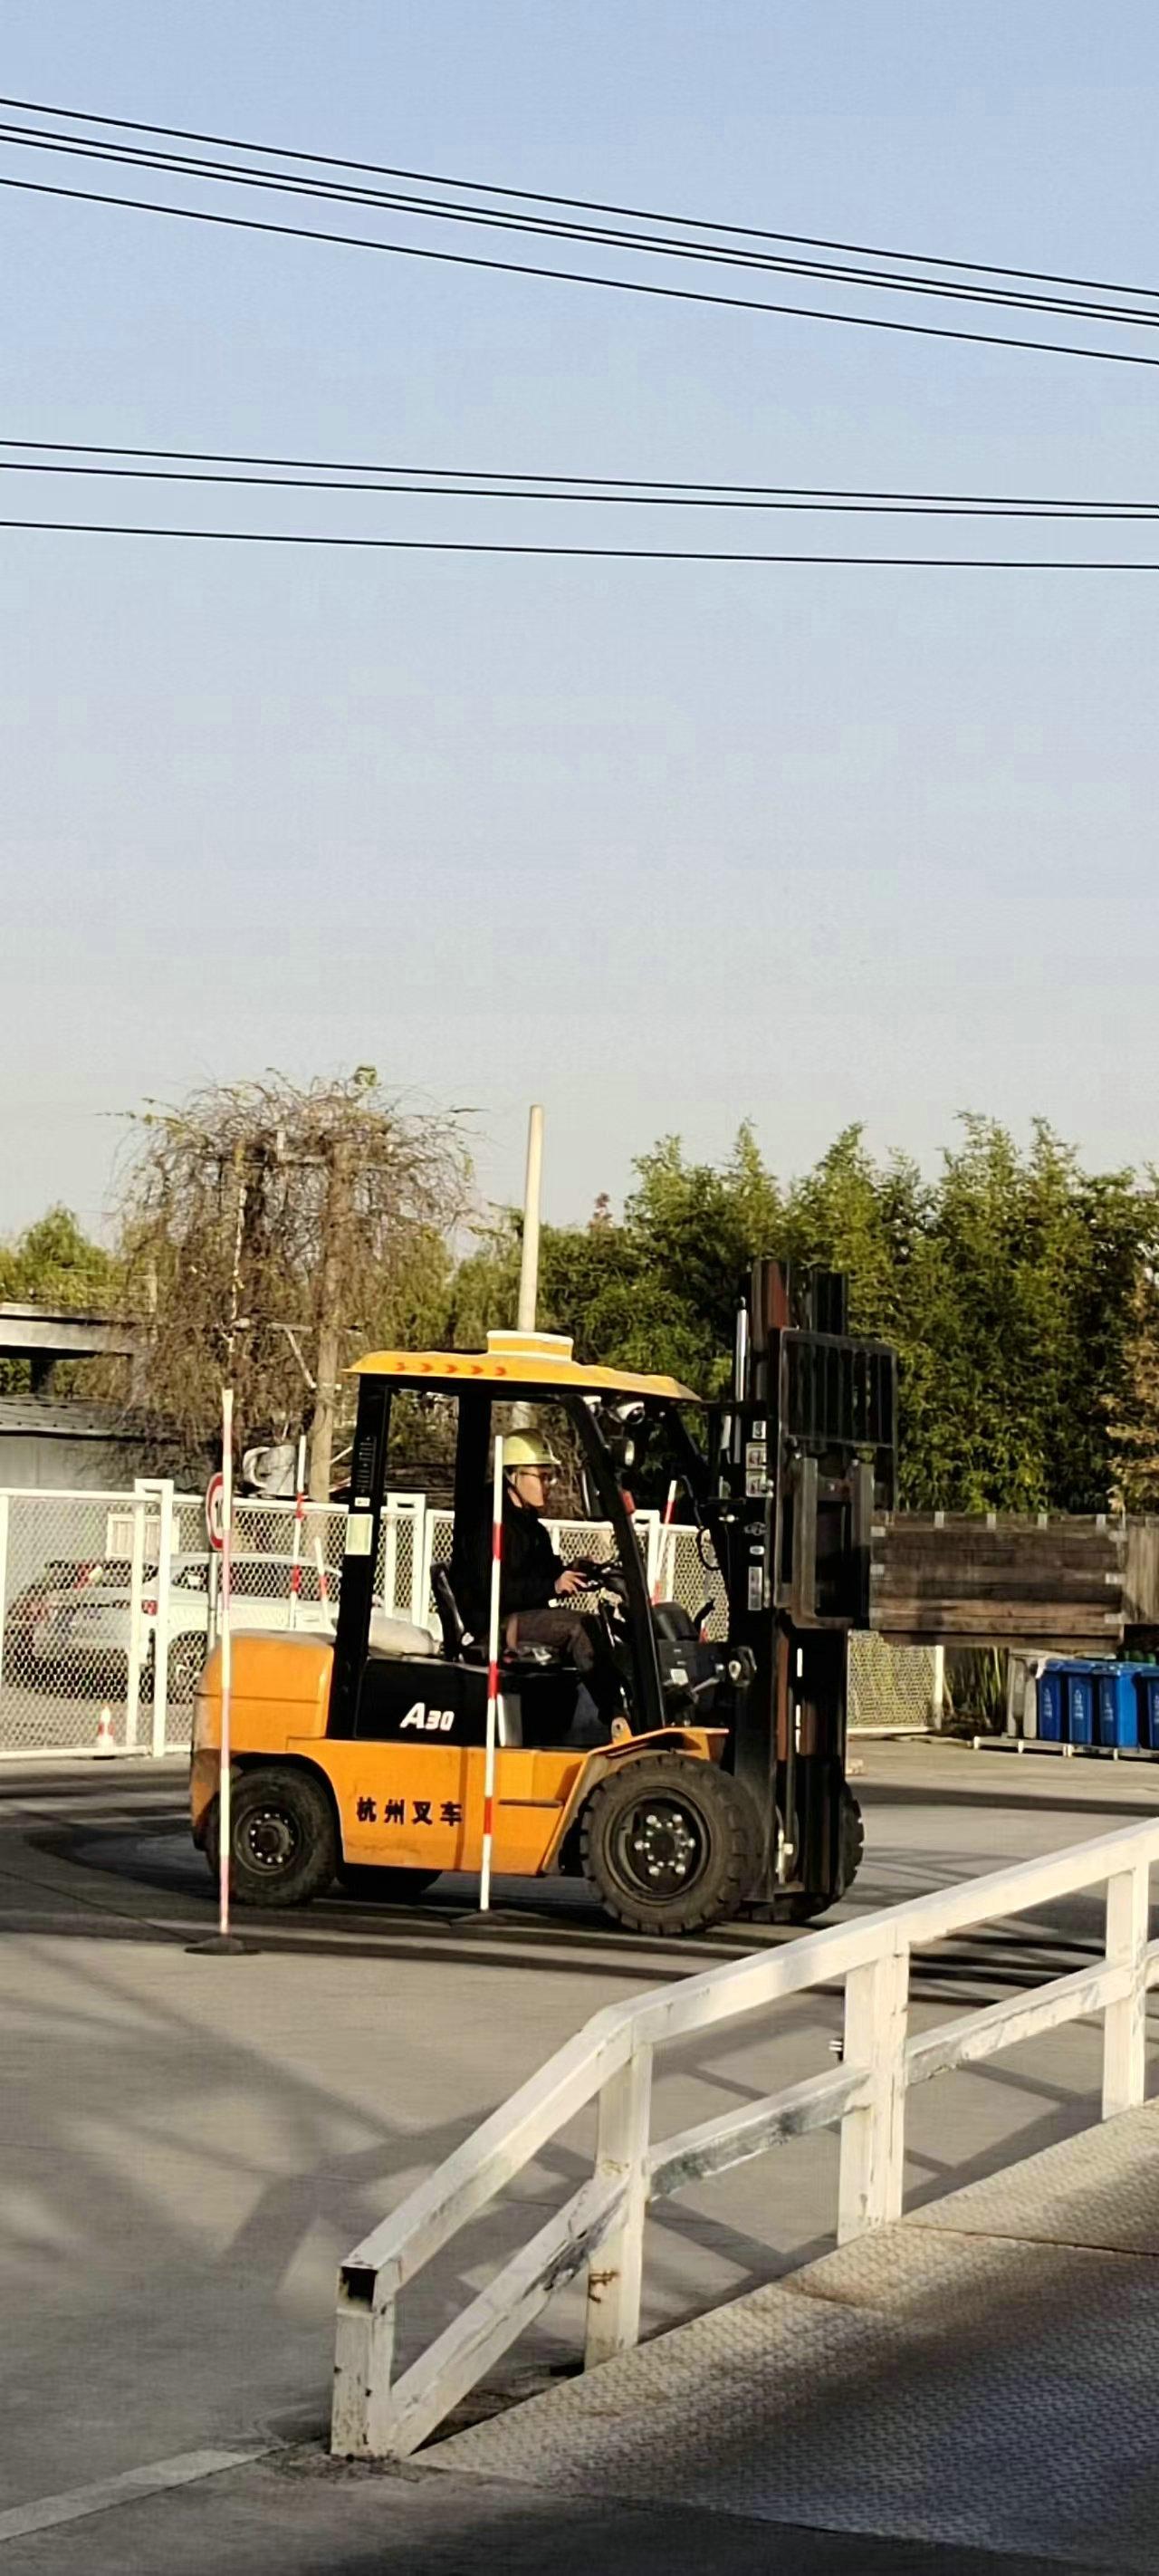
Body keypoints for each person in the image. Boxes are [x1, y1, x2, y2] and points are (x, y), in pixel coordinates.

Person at [459, 1433, 624, 1735]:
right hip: (498, 1622)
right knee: (580, 1627)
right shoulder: (490, 1522)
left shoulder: (530, 1525)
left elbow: (543, 1572)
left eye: (551, 1477)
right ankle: (617, 1716)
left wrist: (572, 1570)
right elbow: (495, 1589)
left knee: (606, 1625)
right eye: (542, 1477)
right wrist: (552, 1586)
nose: (549, 1485)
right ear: (513, 1475)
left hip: (520, 1615)